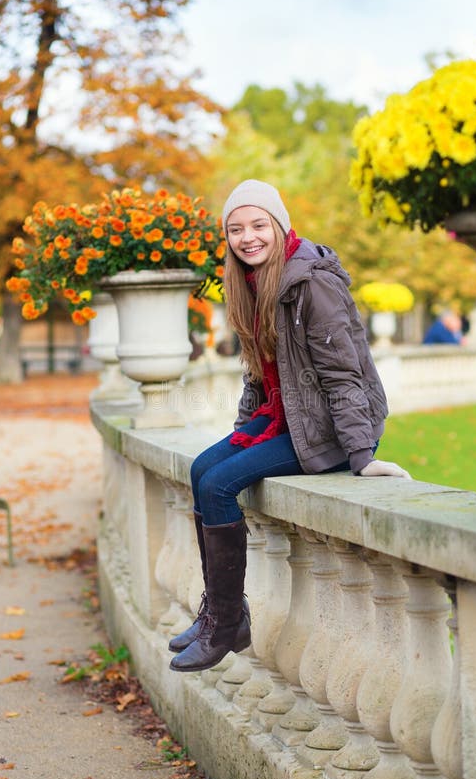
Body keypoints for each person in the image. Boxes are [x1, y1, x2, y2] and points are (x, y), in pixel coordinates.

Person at [169, 180, 411, 674]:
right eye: (236, 229)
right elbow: (261, 374)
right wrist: (240, 433)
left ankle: (227, 623)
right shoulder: (251, 283)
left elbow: (344, 372)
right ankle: (220, 613)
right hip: (286, 415)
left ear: (280, 226)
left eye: (258, 225)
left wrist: (362, 455)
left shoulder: (311, 282)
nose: (247, 237)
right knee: (202, 468)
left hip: (326, 429)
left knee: (218, 485)